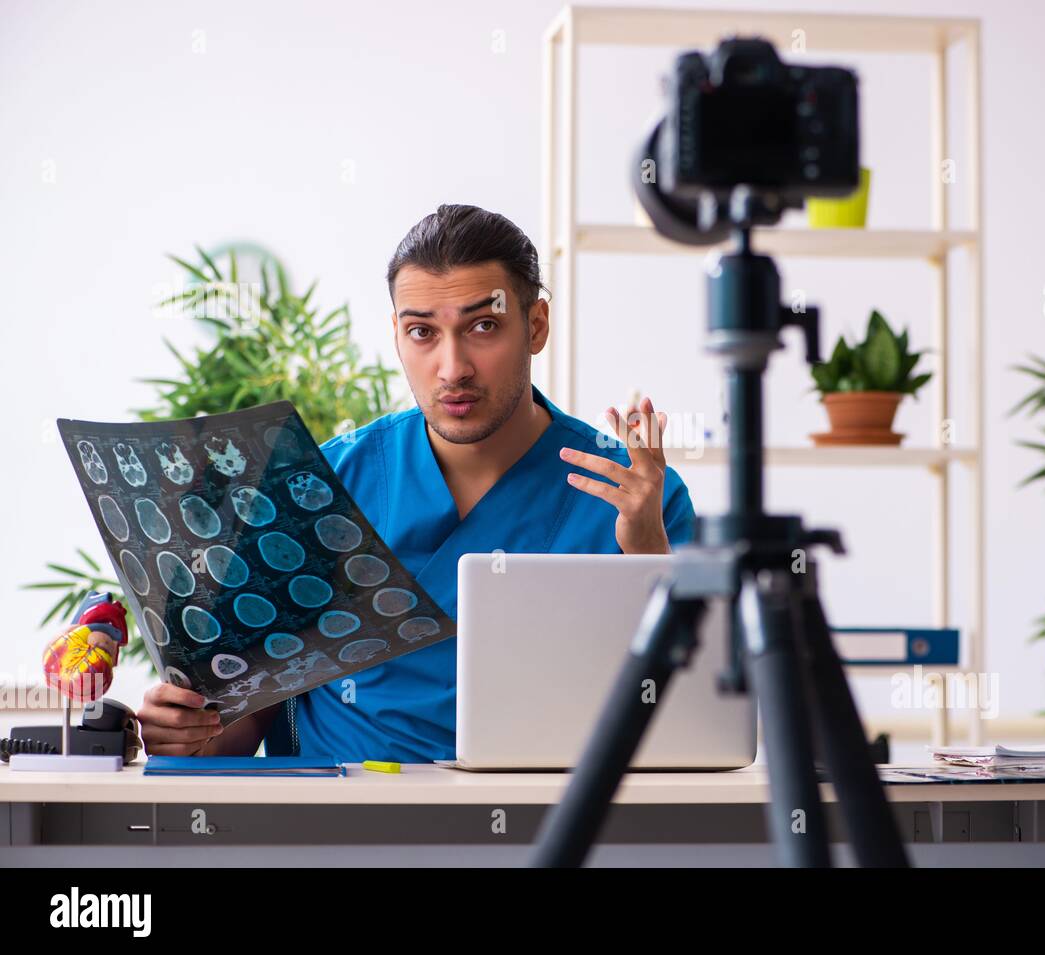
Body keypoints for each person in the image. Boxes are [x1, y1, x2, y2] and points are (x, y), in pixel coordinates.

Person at [138, 204, 695, 760]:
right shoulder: (321, 483)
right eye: (423, 332)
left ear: (537, 326)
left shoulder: (639, 498)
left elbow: (686, 728)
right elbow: (235, 730)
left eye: (483, 326)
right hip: (335, 827)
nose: (453, 367)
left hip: (552, 828)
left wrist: (645, 550)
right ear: (398, 335)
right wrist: (185, 733)